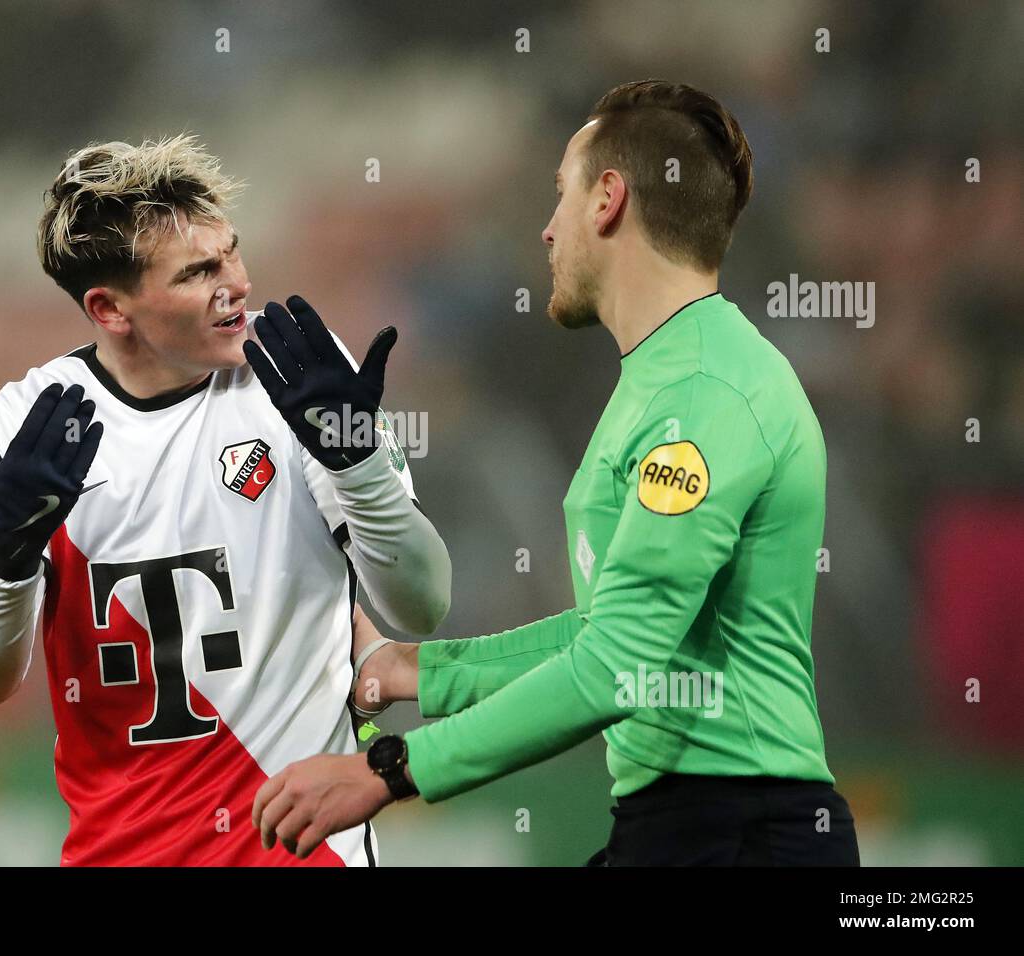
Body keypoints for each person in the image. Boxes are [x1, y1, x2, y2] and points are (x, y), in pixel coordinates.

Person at [252, 80, 860, 867]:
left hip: (736, 835)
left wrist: (391, 770)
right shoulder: (672, 377)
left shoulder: (702, 398)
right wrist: (416, 671)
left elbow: (619, 665)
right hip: (698, 828)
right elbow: (614, 635)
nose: (546, 231)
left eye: (560, 196)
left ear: (609, 199)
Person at [0, 135, 451, 866]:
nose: (236, 284)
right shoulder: (29, 426)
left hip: (305, 852)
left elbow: (423, 603)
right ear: (110, 308)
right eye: (198, 272)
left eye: (233, 253)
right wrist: (6, 556)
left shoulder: (299, 378)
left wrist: (359, 464)